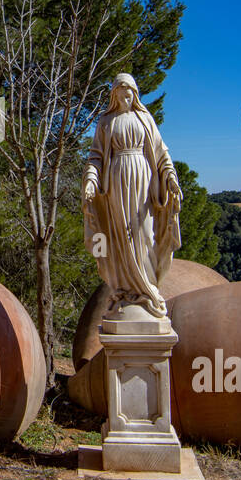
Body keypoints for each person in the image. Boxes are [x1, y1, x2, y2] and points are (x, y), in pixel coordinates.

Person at [81, 73, 183, 318]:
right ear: (114, 95)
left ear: (135, 94)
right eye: (121, 93)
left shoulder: (144, 118)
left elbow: (160, 153)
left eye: (129, 93)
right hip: (116, 181)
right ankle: (125, 291)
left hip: (143, 179)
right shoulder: (106, 121)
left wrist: (169, 177)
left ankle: (147, 290)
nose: (126, 97)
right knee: (120, 236)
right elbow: (95, 156)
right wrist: (91, 181)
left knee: (145, 233)